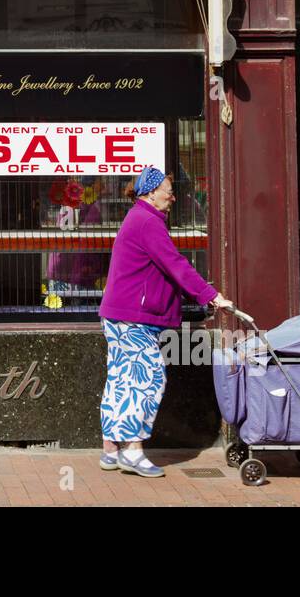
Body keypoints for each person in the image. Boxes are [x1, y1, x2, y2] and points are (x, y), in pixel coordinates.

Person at [97, 166, 232, 477]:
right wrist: (211, 295)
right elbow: (176, 265)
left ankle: (110, 450)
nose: (173, 196)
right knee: (148, 379)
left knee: (121, 379)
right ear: (150, 192)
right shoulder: (147, 221)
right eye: (168, 190)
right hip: (134, 318)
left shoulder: (139, 218)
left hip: (119, 315)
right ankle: (132, 451)